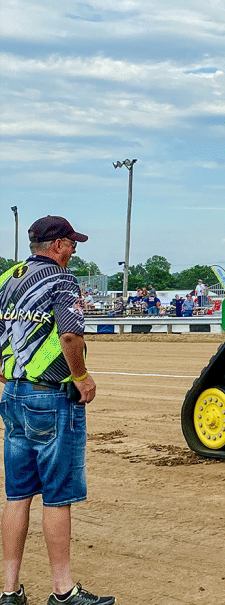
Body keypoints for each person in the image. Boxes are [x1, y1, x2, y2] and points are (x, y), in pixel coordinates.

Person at [0, 216, 115, 604]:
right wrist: (81, 376)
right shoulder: (62, 279)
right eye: (71, 242)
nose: (75, 249)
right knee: (56, 496)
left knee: (16, 495)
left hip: (13, 394)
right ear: (57, 246)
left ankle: (9, 590)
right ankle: (63, 591)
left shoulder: (8, 277)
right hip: (50, 397)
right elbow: (69, 333)